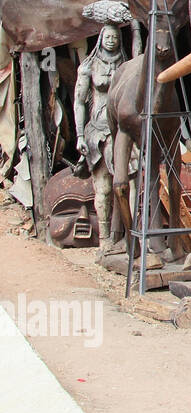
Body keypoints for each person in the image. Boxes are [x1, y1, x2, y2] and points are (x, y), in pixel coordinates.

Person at [74, 23, 126, 254]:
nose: (111, 40)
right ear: (100, 38)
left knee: (125, 186)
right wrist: (79, 135)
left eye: (116, 36)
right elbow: (78, 102)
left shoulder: (127, 65)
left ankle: (124, 235)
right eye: (108, 36)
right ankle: (105, 238)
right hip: (98, 130)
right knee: (103, 190)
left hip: (122, 132)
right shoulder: (89, 66)